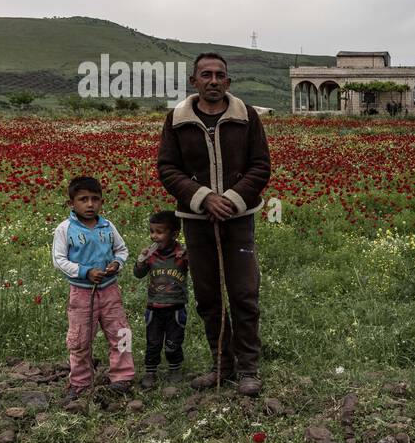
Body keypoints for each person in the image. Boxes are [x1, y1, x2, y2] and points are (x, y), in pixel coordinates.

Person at [156, 52, 271, 396]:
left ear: (228, 82)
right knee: (208, 293)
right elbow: (167, 168)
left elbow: (260, 165)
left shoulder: (246, 116)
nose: (214, 81)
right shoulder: (176, 120)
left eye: (220, 75)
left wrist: (232, 199)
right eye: (206, 75)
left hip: (238, 219)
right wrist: (203, 197)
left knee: (244, 292)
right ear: (194, 81)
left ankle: (248, 367)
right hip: (196, 219)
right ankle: (221, 364)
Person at [51, 175, 133, 403]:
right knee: (79, 339)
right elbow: (59, 260)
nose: (90, 204)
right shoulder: (65, 229)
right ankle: (80, 382)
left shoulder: (107, 226)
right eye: (83, 199)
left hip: (109, 290)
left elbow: (122, 249)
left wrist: (117, 263)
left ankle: (123, 376)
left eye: (95, 199)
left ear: (102, 202)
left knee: (121, 332)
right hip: (81, 293)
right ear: (72, 203)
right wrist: (85, 271)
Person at [132, 210, 189, 389]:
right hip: (154, 307)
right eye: (151, 231)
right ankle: (150, 372)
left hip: (175, 307)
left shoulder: (182, 255)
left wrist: (189, 255)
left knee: (174, 341)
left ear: (174, 234)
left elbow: (198, 265)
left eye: (159, 232)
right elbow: (138, 274)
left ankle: (175, 369)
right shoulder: (151, 255)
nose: (154, 236)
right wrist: (141, 261)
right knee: (153, 342)